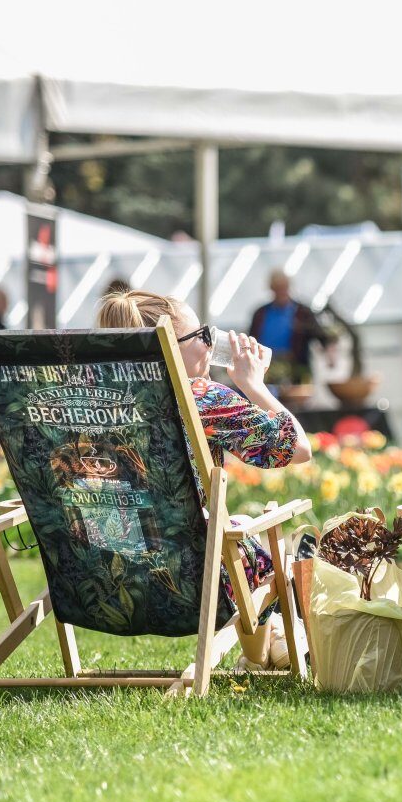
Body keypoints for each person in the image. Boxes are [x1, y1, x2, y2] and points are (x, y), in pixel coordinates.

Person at [96, 288, 312, 662]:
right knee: (255, 552)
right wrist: (253, 384)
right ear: (165, 348)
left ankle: (272, 643)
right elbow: (298, 449)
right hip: (192, 581)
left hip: (105, 579)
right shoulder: (202, 397)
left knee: (236, 525)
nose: (211, 344)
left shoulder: (92, 404)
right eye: (202, 336)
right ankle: (271, 647)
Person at [248, 271, 333, 387]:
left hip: (296, 367)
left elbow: (320, 335)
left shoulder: (302, 312)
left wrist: (329, 353)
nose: (281, 291)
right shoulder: (261, 313)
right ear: (272, 289)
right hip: (266, 366)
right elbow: (251, 338)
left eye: (284, 287)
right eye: (277, 288)